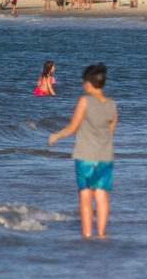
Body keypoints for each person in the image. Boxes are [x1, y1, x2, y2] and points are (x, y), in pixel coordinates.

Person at [48, 63, 118, 238]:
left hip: (85, 156)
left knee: (86, 195)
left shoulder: (84, 101)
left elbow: (73, 127)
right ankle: (102, 233)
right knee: (102, 196)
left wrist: (56, 136)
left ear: (88, 83)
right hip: (105, 156)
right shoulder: (112, 105)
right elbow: (111, 133)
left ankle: (87, 233)